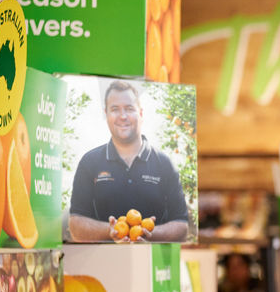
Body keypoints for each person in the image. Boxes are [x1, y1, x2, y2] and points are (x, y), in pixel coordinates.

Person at [68, 80, 190, 244]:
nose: (123, 116)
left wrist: (150, 233)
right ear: (106, 114)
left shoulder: (164, 163)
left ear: (140, 113)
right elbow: (76, 226)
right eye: (115, 109)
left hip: (152, 263)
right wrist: (111, 230)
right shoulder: (89, 162)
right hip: (98, 263)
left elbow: (182, 226)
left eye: (129, 108)